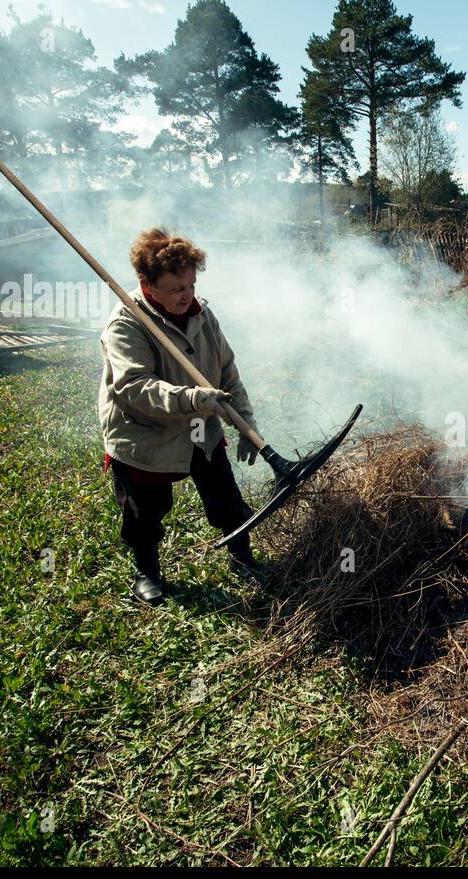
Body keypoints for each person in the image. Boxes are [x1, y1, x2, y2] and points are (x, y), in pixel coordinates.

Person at [97, 227, 266, 605]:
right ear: (147, 284)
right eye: (176, 288)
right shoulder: (125, 325)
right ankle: (147, 572)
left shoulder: (202, 315)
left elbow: (227, 373)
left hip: (198, 425)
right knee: (144, 513)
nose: (186, 295)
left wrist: (245, 423)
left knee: (226, 498)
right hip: (144, 434)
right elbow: (134, 388)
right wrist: (194, 399)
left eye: (190, 284)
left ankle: (243, 558)